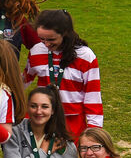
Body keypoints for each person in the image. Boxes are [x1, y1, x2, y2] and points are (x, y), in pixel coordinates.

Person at [23, 9, 103, 139]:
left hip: (71, 122)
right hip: (40, 119)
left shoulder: (85, 56)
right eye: (42, 39)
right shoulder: (36, 51)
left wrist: (95, 132)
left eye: (51, 39)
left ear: (65, 33)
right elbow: (24, 80)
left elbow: (93, 96)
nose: (46, 44)